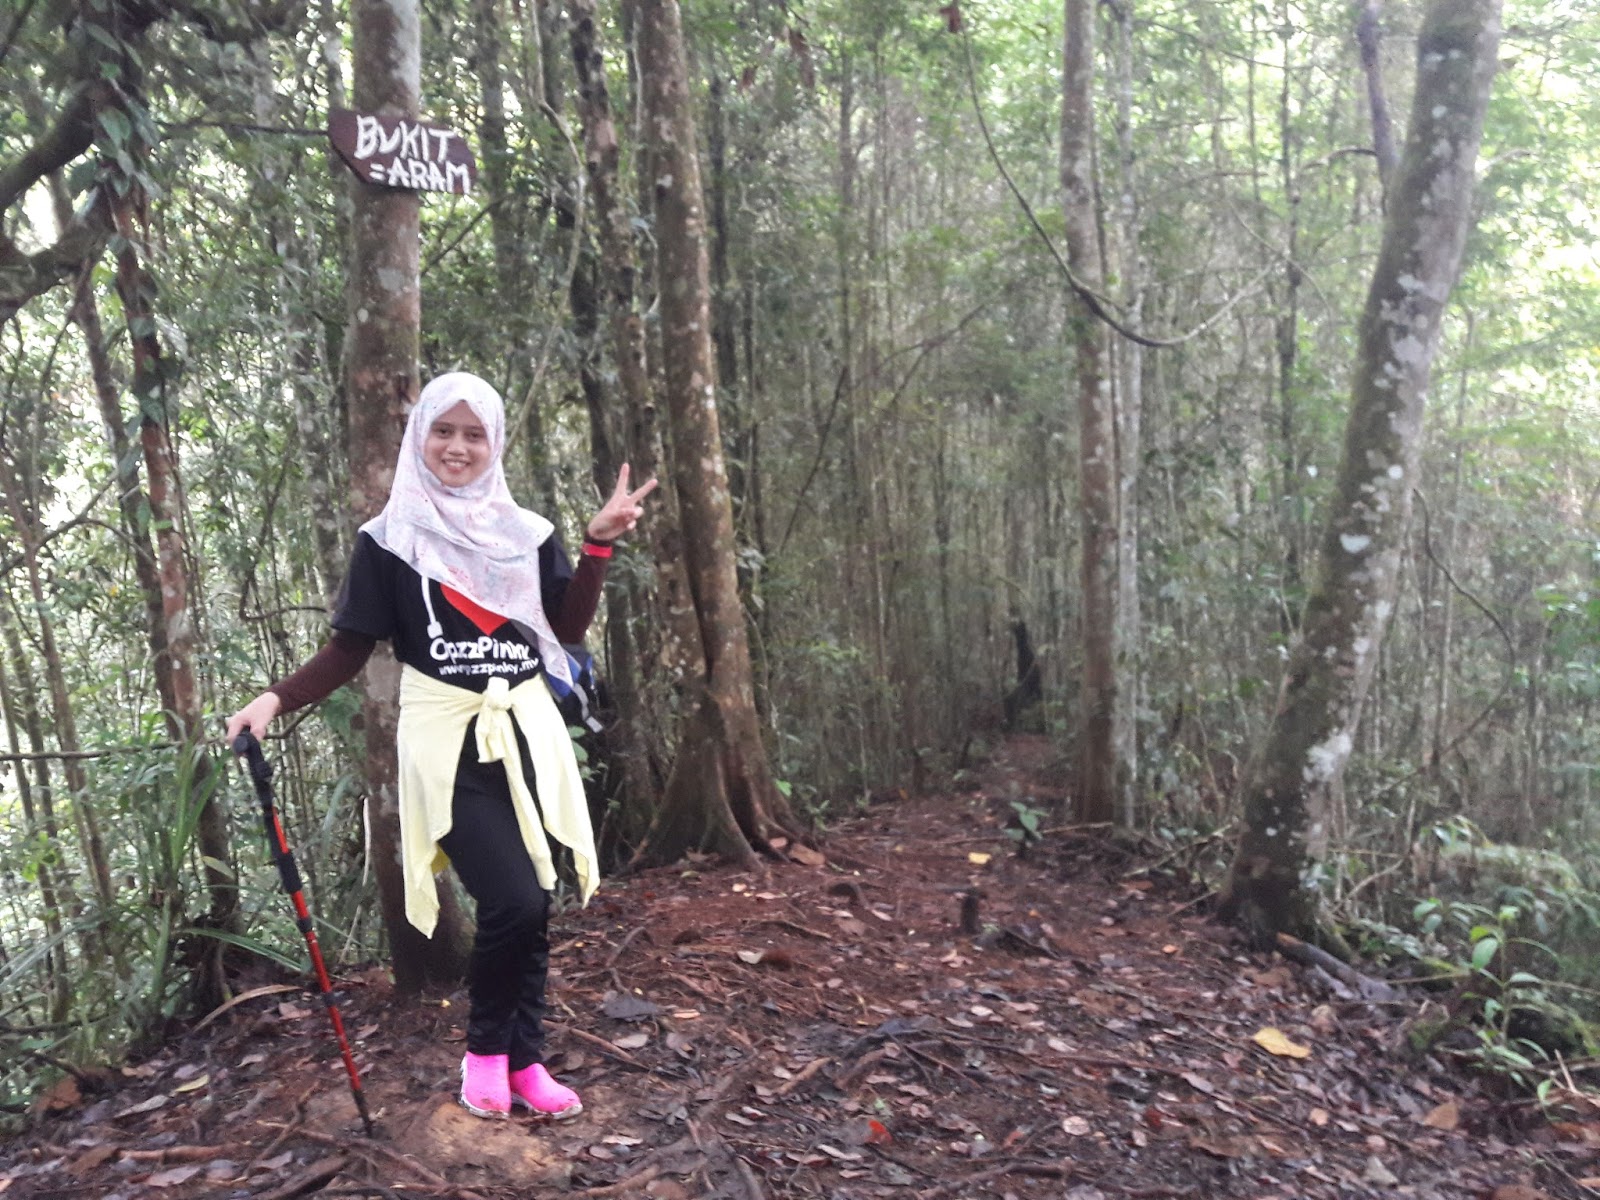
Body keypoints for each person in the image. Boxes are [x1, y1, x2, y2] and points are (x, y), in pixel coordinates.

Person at [225, 371, 656, 1120]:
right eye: (444, 431)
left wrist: (594, 546)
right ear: (419, 437)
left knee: (534, 903)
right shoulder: (388, 542)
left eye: (474, 433)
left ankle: (527, 1061)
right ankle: (485, 1054)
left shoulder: (526, 535)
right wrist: (274, 699)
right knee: (512, 897)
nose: (458, 447)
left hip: (523, 732)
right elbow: (349, 648)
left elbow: (568, 629)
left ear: (494, 445)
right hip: (446, 743)